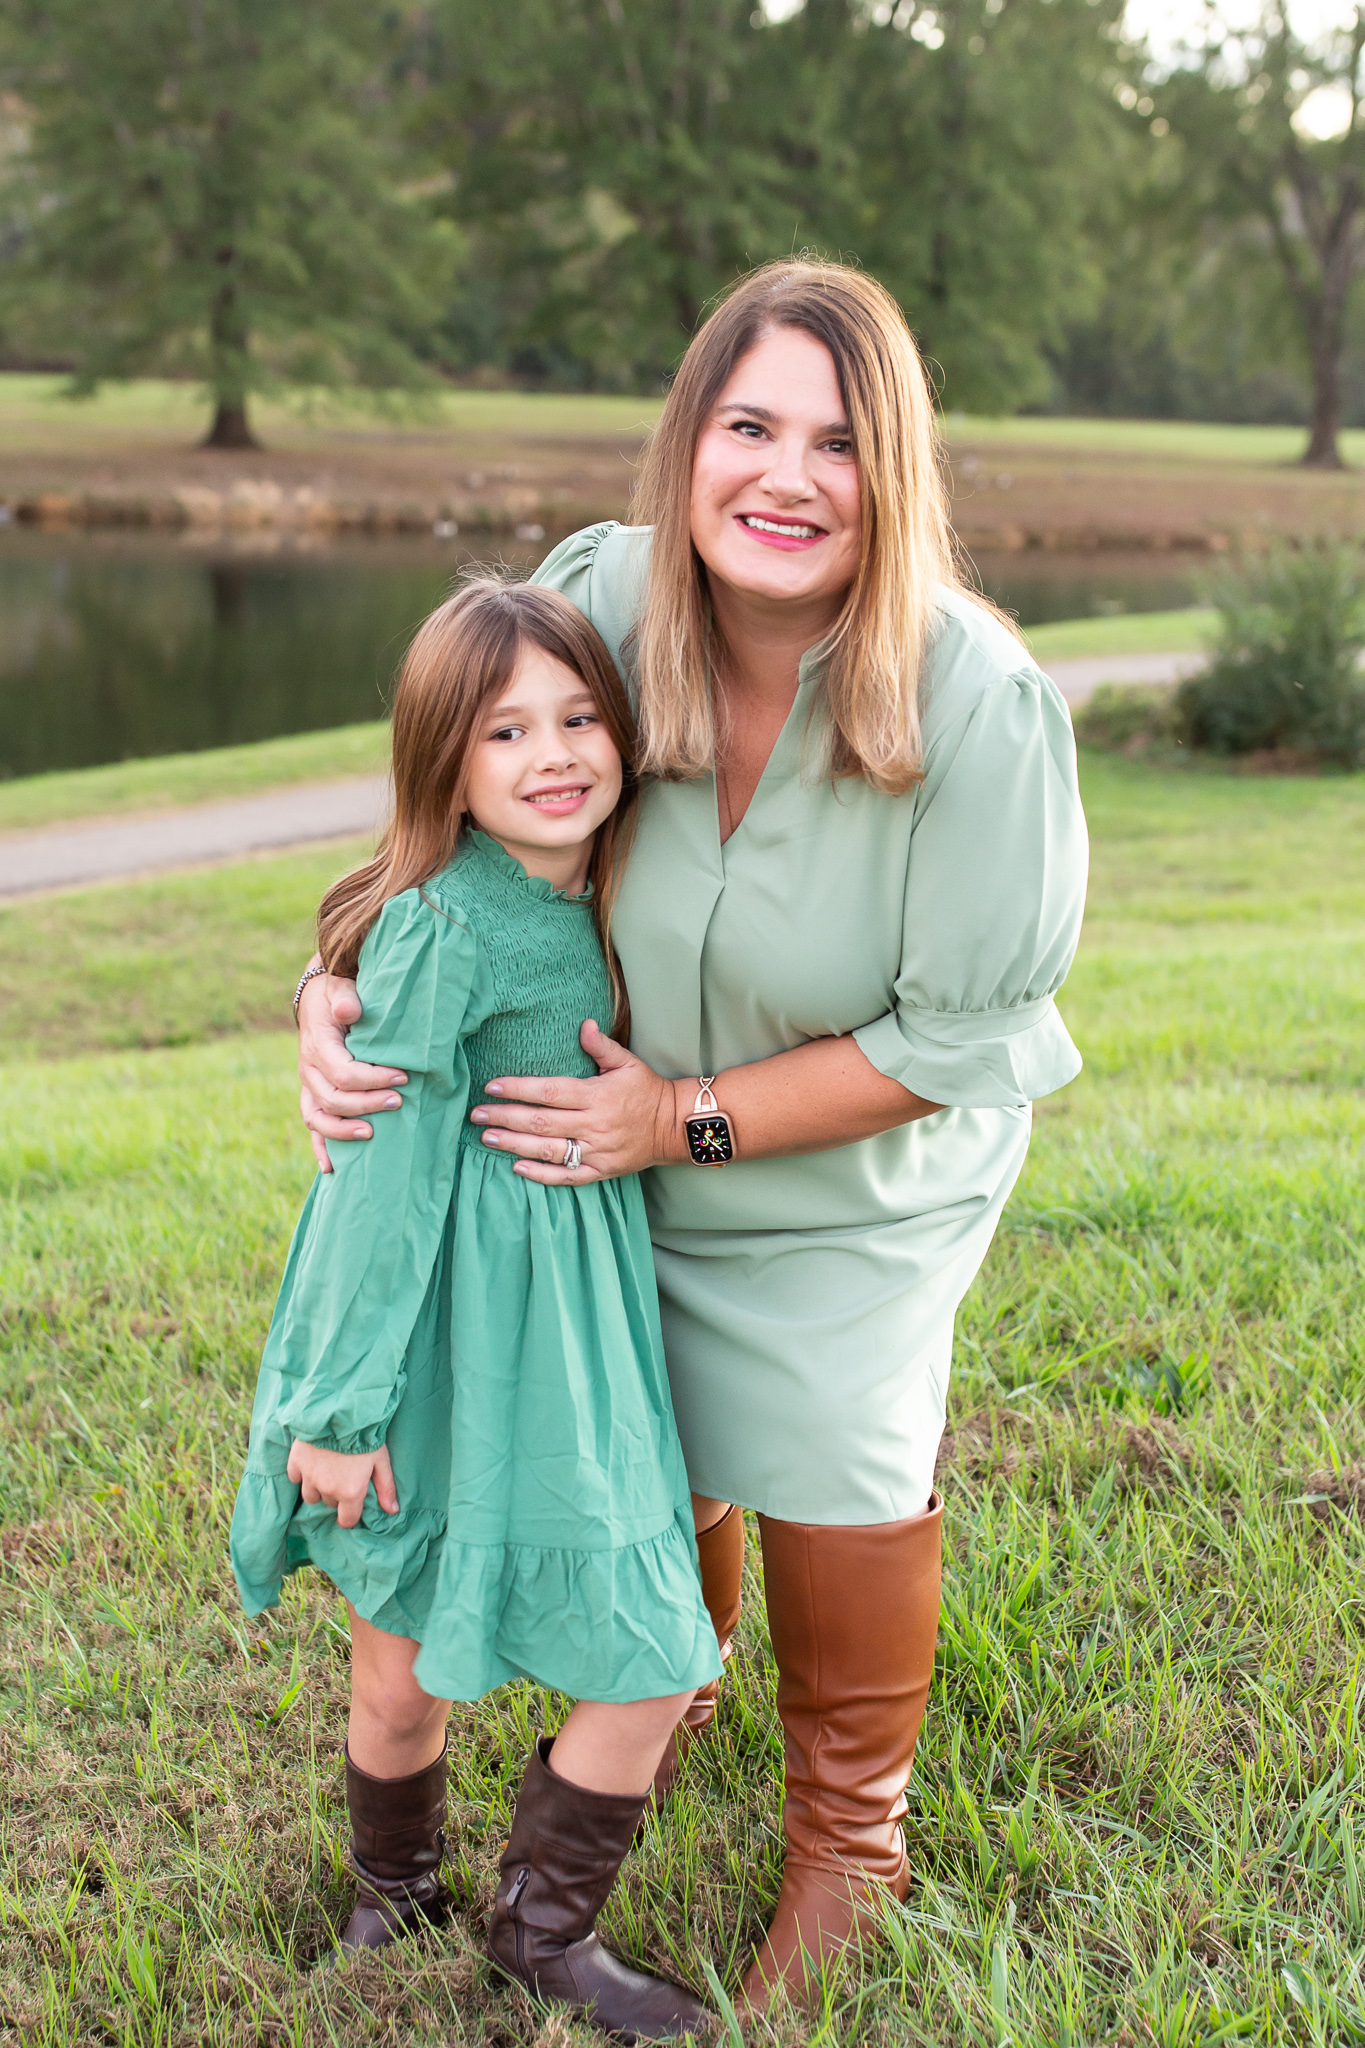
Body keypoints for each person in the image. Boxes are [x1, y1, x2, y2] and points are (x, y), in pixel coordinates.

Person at [295, 260, 1089, 2013]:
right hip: (601, 1173)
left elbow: (958, 1041)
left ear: (896, 474)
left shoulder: (972, 703)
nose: (785, 478)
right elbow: (456, 806)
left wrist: (683, 1117)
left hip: (849, 1193)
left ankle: (847, 1841)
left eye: (839, 441)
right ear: (690, 438)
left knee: (845, 1453)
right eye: (749, 426)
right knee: (652, 1437)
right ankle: (684, 1674)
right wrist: (330, 987)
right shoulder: (600, 591)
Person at [231, 578, 721, 2044]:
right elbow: (375, 1191)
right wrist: (336, 1411)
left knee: (656, 1652)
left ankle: (540, 1927)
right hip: (437, 1340)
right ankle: (397, 1892)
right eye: (504, 731)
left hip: (568, 1337)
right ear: (443, 761)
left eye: (578, 717)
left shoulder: (612, 875)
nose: (554, 753)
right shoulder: (444, 927)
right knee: (395, 1667)